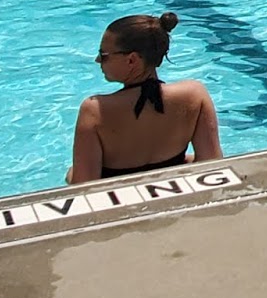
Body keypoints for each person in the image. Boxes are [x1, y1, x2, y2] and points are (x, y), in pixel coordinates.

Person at [69, 12, 222, 184]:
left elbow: (83, 188)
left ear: (132, 60)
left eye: (104, 55)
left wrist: (72, 174)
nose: (97, 60)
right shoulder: (194, 95)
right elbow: (212, 167)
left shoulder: (95, 110)